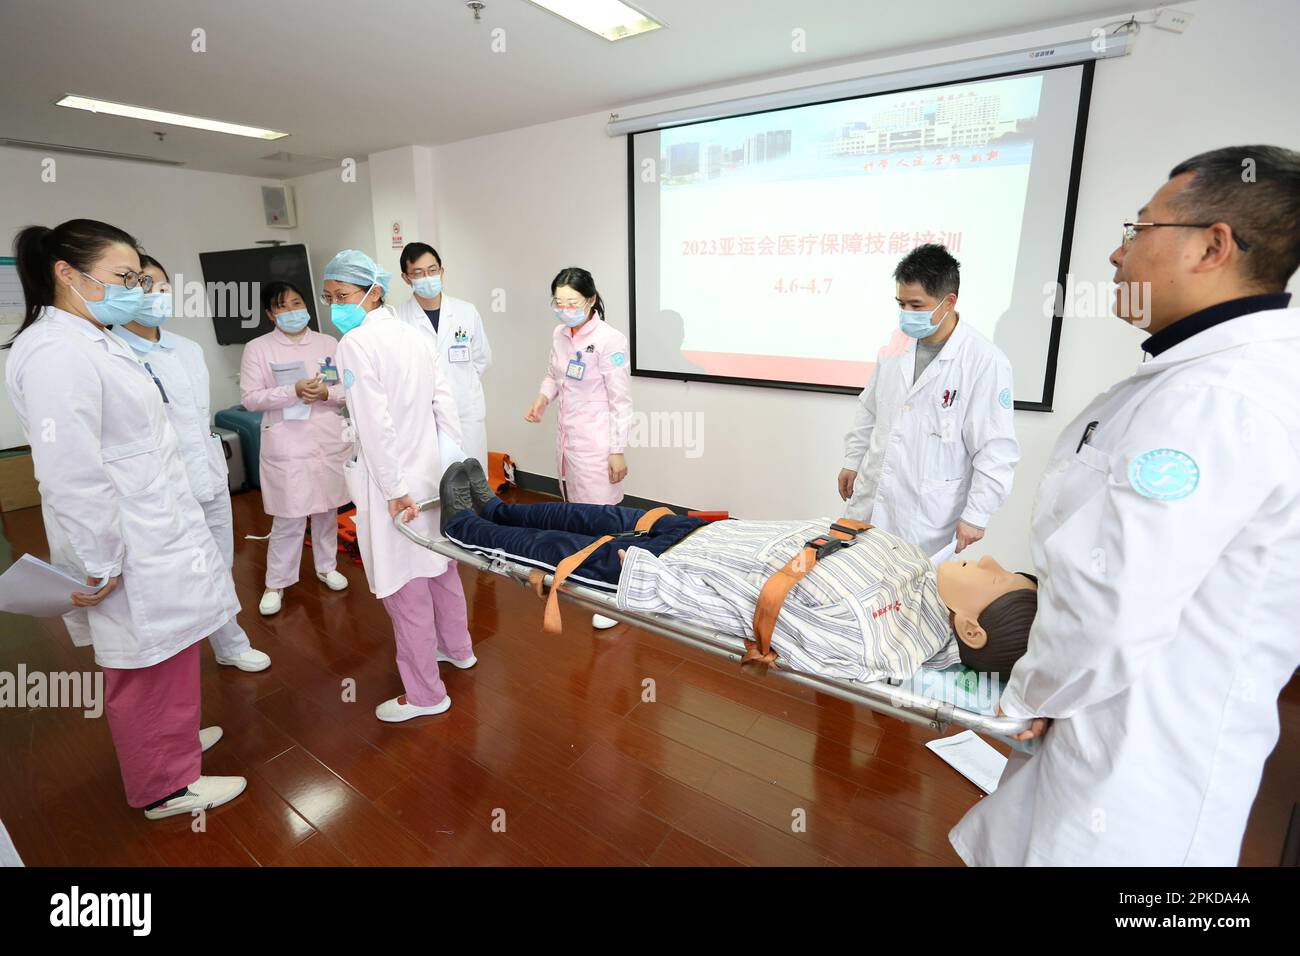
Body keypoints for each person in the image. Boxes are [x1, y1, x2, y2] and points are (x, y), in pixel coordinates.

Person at [950, 145, 1300, 866]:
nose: (1116, 254)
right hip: (1108, 730)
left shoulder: (1214, 400)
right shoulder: (1201, 379)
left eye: (1139, 230)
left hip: (1138, 761)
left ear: (1213, 245)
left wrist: (1013, 702)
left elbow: (1110, 610)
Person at [4, 219, 245, 819]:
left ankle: (176, 746)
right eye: (123, 277)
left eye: (140, 277)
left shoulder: (96, 337)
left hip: (154, 526)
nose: (136, 288)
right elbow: (69, 471)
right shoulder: (55, 350)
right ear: (66, 273)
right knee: (142, 661)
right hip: (123, 540)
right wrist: (102, 558)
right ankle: (165, 786)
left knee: (170, 648)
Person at [439, 460, 1038, 684]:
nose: (986, 560)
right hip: (705, 532)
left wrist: (658, 582)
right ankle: (493, 504)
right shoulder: (916, 567)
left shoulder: (877, 637)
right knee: (587, 511)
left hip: (673, 570)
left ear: (971, 629)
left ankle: (464, 527)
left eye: (994, 577)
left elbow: (774, 636)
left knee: (554, 547)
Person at [326, 249, 474, 723]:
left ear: (373, 291)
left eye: (343, 295)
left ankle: (427, 694)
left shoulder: (355, 344)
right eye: (328, 296)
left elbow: (374, 424)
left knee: (404, 583)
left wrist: (393, 487)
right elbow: (444, 404)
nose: (335, 305)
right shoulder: (414, 336)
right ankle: (459, 649)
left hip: (395, 485)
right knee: (440, 566)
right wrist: (450, 467)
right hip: (431, 476)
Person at [111, 253, 269, 672]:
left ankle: (229, 643)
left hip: (209, 478)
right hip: (161, 489)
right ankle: (176, 663)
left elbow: (197, 419)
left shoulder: (187, 348)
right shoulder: (114, 353)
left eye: (162, 286)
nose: (156, 295)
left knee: (219, 566)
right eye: (143, 285)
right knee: (173, 580)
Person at [838, 244, 1019, 559]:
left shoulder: (984, 361)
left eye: (916, 305)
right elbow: (870, 408)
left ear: (949, 302)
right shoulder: (896, 347)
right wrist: (852, 460)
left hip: (926, 516)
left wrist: (977, 514)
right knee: (857, 579)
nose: (906, 313)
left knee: (910, 596)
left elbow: (995, 448)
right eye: (901, 303)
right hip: (872, 496)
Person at [524, 267, 633, 630]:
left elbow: (621, 402)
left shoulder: (609, 339)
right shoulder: (559, 334)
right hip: (568, 439)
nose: (564, 308)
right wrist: (542, 398)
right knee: (577, 511)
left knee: (602, 517)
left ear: (590, 300)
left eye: (572, 302)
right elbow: (554, 375)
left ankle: (613, 593)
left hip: (597, 442)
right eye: (558, 301)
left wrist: (617, 449)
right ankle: (587, 574)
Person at [240, 281, 352, 615]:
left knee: (327, 509)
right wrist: (293, 390)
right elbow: (249, 398)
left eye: (297, 302)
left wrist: (327, 395)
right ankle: (276, 583)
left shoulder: (328, 342)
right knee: (289, 516)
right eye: (282, 306)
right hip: (287, 442)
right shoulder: (258, 348)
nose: (292, 311)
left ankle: (326, 566)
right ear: (270, 313)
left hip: (326, 435)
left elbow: (347, 388)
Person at [394, 241, 492, 469]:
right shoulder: (398, 320)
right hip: (423, 417)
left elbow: (482, 359)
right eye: (418, 273)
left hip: (465, 410)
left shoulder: (466, 311)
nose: (427, 277)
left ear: (442, 271)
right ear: (406, 278)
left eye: (432, 270)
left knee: (472, 481)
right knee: (434, 482)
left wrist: (460, 384)